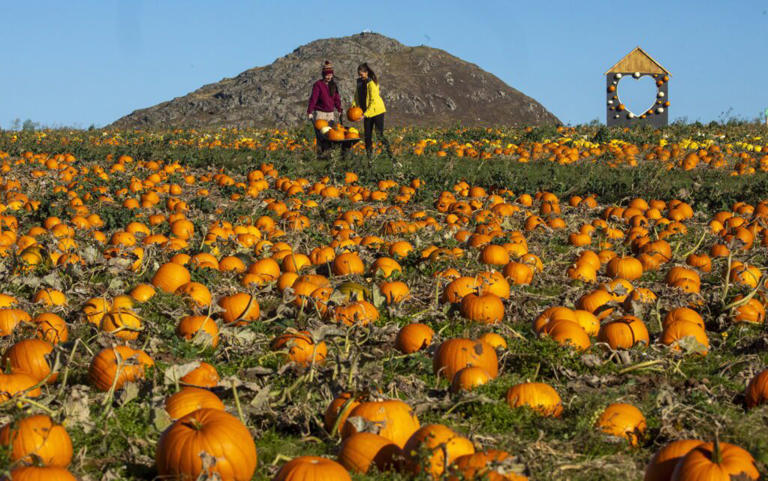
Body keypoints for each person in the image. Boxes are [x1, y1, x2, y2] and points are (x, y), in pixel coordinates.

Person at [351, 62, 394, 166]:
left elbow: (373, 101)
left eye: (361, 74)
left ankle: (392, 158)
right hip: (366, 112)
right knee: (367, 137)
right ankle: (370, 161)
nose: (360, 76)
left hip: (377, 111)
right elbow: (357, 97)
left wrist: (365, 115)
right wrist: (354, 107)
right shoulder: (360, 83)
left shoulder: (372, 83)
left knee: (379, 135)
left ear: (366, 73)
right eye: (359, 74)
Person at [307, 60, 345, 160]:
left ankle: (330, 155)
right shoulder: (318, 85)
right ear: (323, 74)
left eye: (330, 75)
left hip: (330, 114)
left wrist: (339, 109)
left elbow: (337, 98)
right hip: (320, 114)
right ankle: (320, 155)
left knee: (331, 135)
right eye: (327, 75)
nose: (329, 77)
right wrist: (310, 111)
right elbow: (313, 98)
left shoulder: (333, 85)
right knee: (321, 136)